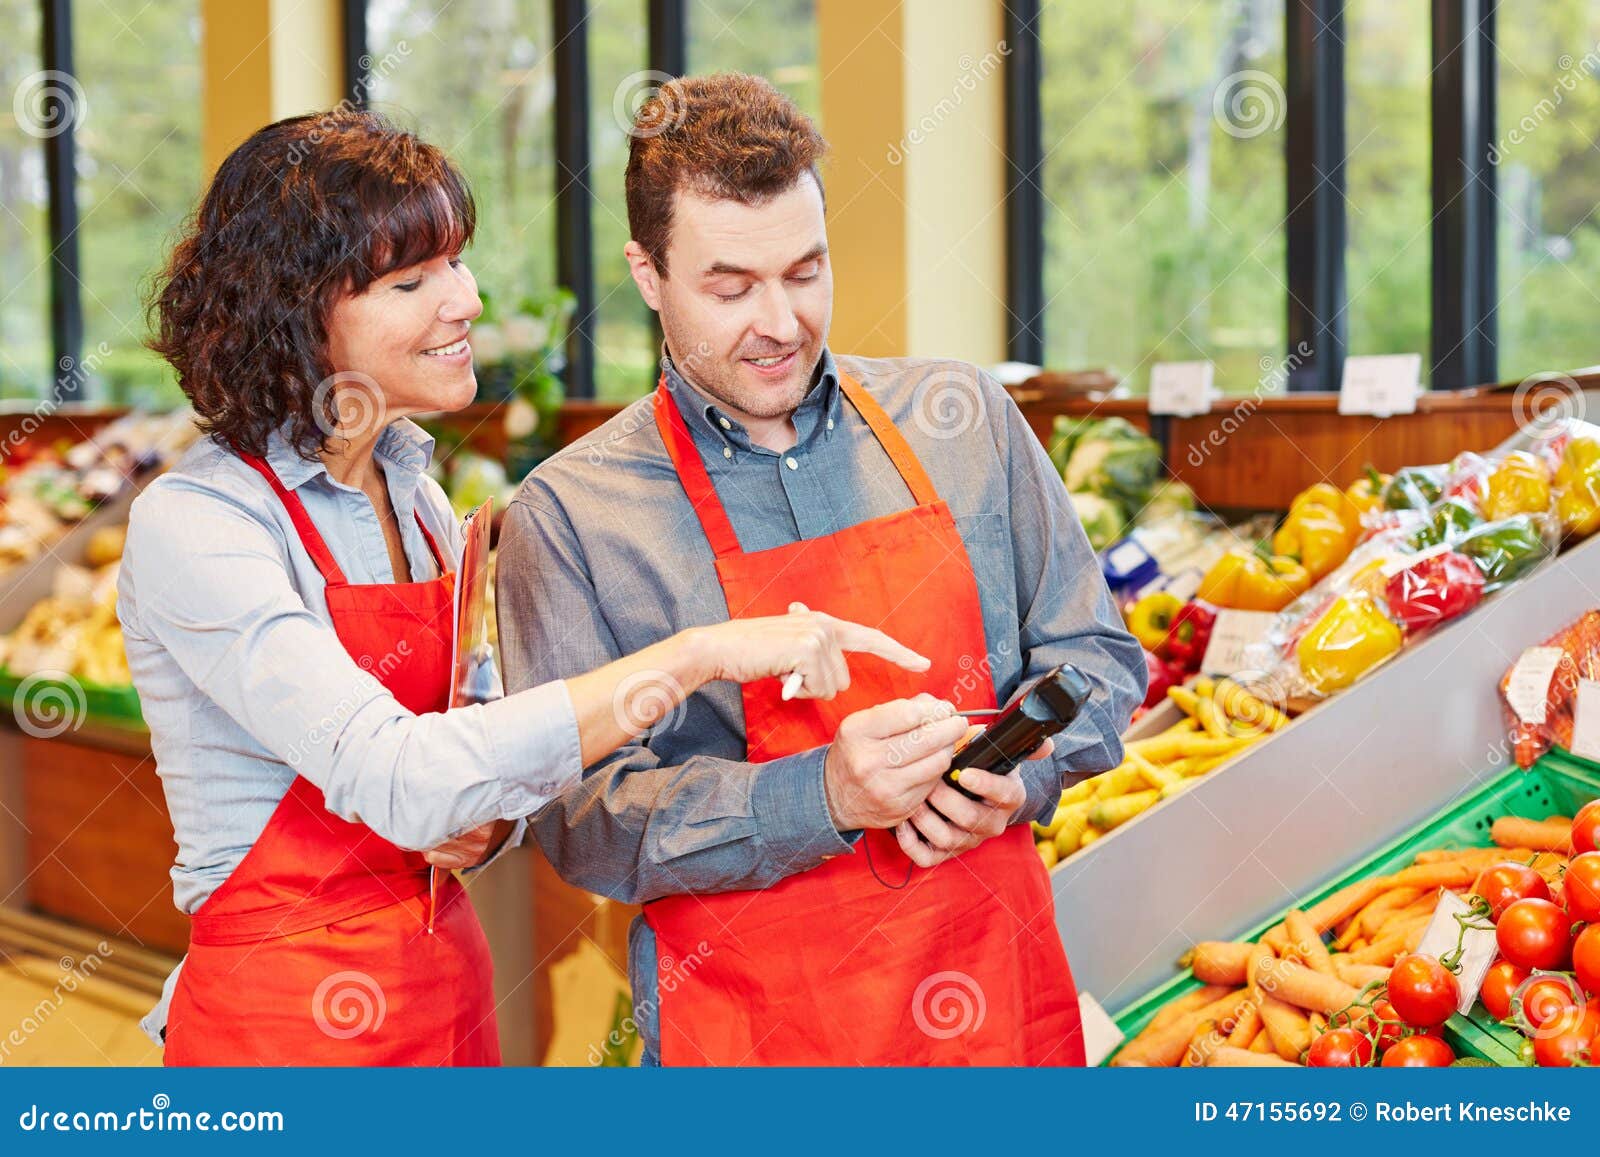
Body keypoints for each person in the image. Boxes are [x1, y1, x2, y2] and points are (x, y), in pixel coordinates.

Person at [121, 109, 928, 1067]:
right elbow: (397, 777)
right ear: (295, 311)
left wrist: (494, 821)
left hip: (446, 987)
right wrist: (699, 653)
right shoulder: (201, 525)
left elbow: (478, 755)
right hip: (282, 1023)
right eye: (411, 280)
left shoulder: (418, 501)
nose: (463, 300)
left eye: (457, 262)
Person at [496, 73, 1145, 1066]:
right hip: (759, 1036)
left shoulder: (964, 422)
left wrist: (1028, 772)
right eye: (729, 287)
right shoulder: (574, 513)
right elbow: (578, 818)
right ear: (646, 270)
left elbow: (1099, 660)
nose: (780, 320)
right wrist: (822, 797)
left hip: (994, 1004)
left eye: (806, 270)